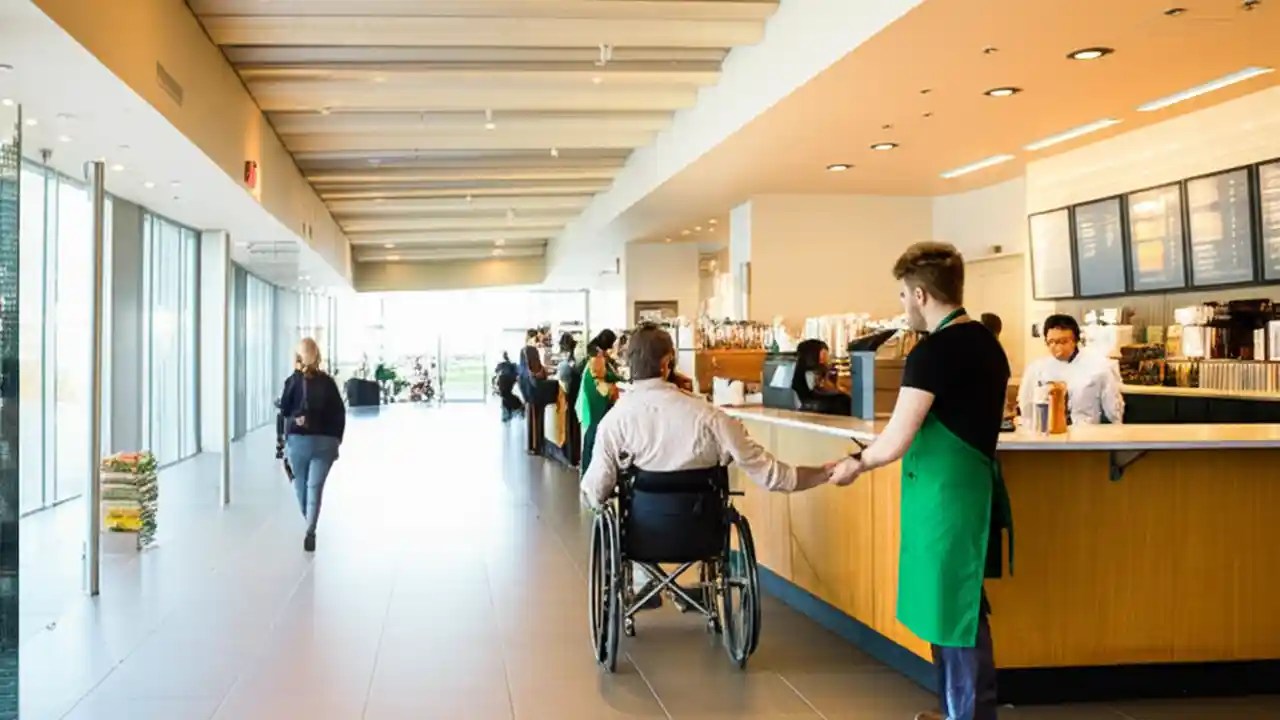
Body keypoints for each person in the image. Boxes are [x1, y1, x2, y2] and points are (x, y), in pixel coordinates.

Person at [826, 242, 1012, 720]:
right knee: (956, 606)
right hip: (964, 492)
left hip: (946, 498)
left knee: (955, 616)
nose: (904, 305)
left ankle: (969, 713)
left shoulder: (934, 352)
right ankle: (956, 709)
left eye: (905, 295)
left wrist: (856, 463)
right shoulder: (987, 343)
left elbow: (896, 438)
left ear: (922, 294)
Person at [581, 324, 833, 506]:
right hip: (702, 531)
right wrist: (826, 472)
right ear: (667, 363)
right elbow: (773, 476)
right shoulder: (711, 416)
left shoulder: (614, 422)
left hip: (641, 535)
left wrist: (594, 495)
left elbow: (596, 490)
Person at [277, 337, 347, 553]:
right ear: (317, 356)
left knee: (300, 485)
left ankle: (308, 520)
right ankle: (311, 529)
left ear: (298, 357)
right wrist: (336, 440)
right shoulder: (328, 382)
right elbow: (340, 413)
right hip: (325, 443)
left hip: (298, 441)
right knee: (315, 487)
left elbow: (284, 410)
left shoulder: (293, 381)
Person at [1017, 314, 1124, 426]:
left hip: (1085, 434)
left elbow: (1113, 410)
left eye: (1062, 341)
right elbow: (1026, 406)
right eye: (1051, 342)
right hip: (1048, 433)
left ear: (1076, 340)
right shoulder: (1036, 368)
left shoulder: (1098, 366)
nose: (1056, 346)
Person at [577, 330, 621, 475]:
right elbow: (601, 374)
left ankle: (588, 470)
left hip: (593, 392)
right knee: (593, 432)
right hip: (595, 394)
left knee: (592, 432)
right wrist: (618, 379)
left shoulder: (596, 351)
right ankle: (589, 471)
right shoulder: (596, 356)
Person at [792, 338, 852, 415]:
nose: (829, 358)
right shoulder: (817, 376)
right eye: (827, 354)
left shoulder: (798, 377)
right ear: (822, 355)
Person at [518, 328, 553, 454]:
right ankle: (537, 446)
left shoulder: (524, 350)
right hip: (535, 389)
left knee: (531, 417)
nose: (540, 341)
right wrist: (545, 372)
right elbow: (536, 371)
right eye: (538, 338)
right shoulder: (531, 350)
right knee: (537, 417)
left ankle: (532, 445)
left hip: (527, 388)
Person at [494, 351, 521, 422]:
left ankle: (517, 406)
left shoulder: (505, 364)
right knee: (506, 394)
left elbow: (497, 372)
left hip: (506, 379)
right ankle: (510, 410)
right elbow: (497, 372)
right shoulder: (506, 364)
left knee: (505, 394)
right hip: (507, 379)